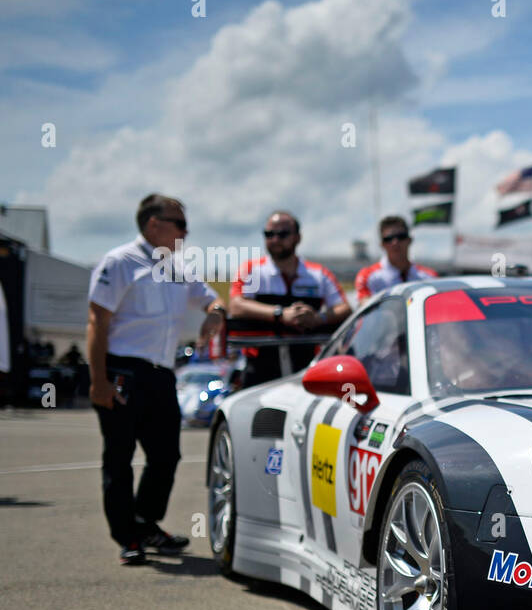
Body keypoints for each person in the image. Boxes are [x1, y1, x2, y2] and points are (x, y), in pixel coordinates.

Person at [87, 194, 227, 564]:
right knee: (119, 457)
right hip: (123, 371)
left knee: (166, 454)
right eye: (180, 223)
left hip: (161, 374)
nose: (186, 231)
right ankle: (127, 537)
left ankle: (145, 522)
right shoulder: (120, 262)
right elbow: (97, 321)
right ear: (154, 224)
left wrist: (217, 311)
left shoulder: (178, 267)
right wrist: (98, 380)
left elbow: (209, 298)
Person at [229, 211, 351, 386]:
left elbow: (344, 308)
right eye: (269, 234)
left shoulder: (319, 273)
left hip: (307, 368)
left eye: (283, 234)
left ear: (298, 238)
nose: (275, 239)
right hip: (260, 370)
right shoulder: (251, 270)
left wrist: (319, 318)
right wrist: (279, 314)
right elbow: (236, 305)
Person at [354, 215, 438, 302]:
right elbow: (365, 307)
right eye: (388, 239)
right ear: (382, 244)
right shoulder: (368, 277)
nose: (395, 242)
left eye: (401, 237)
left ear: (410, 240)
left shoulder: (429, 277)